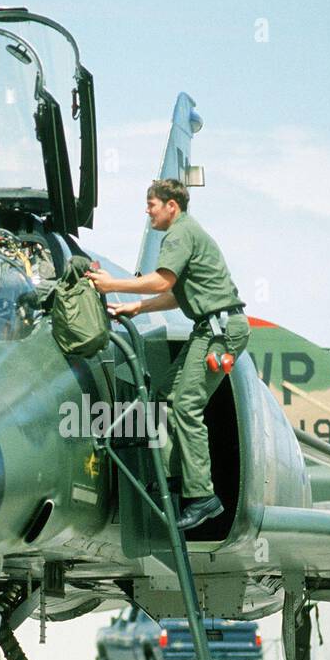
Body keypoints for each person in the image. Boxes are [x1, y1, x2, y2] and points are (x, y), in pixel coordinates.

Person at [84, 178, 249, 531]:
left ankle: (202, 496)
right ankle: (177, 477)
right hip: (210, 327)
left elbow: (161, 282)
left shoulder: (179, 234)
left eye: (152, 204)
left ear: (171, 205)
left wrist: (111, 285)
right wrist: (136, 309)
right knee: (165, 395)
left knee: (187, 405)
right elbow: (177, 296)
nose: (148, 211)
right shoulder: (187, 234)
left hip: (219, 332)